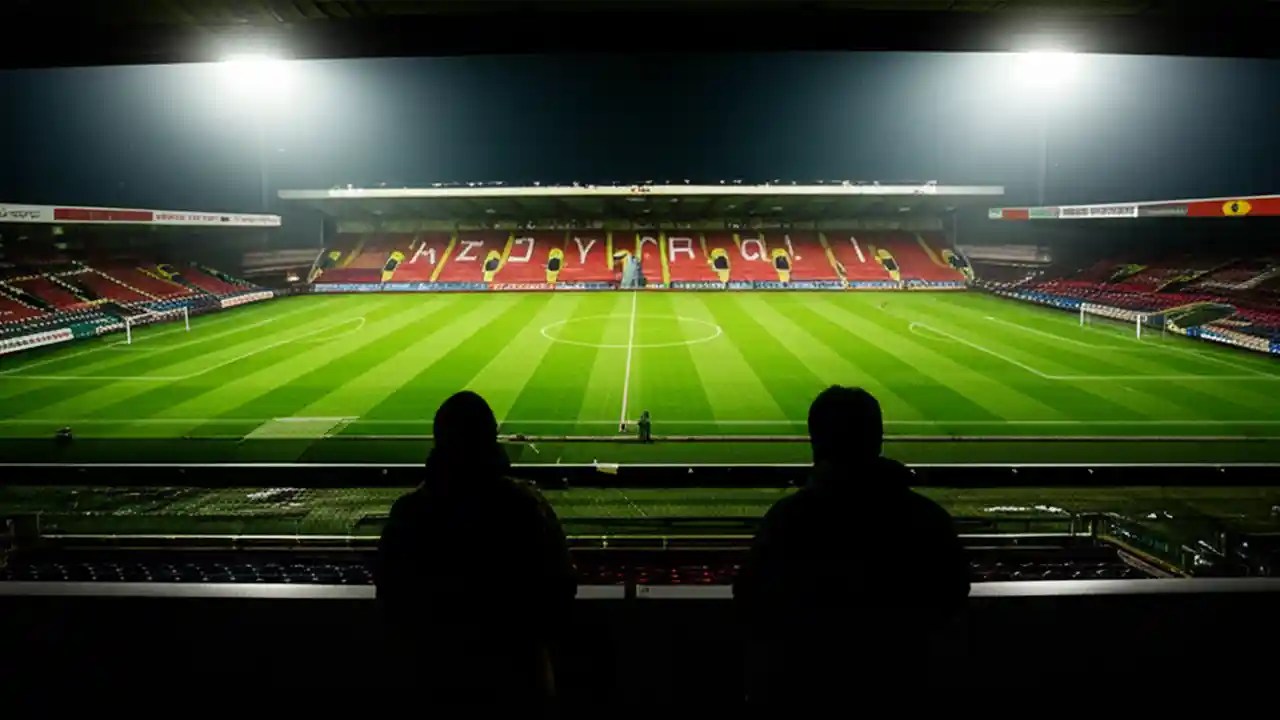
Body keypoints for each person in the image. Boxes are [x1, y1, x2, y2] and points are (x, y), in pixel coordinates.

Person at [733, 386, 969, 703]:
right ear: (877, 439)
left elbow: (752, 599)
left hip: (805, 688)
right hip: (905, 686)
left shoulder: (788, 519)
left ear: (816, 443)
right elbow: (951, 597)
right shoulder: (928, 518)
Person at [376, 391, 576, 704]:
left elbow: (390, 598)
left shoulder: (410, 513)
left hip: (430, 683)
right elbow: (560, 591)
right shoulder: (526, 508)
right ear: (491, 439)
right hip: (517, 682)